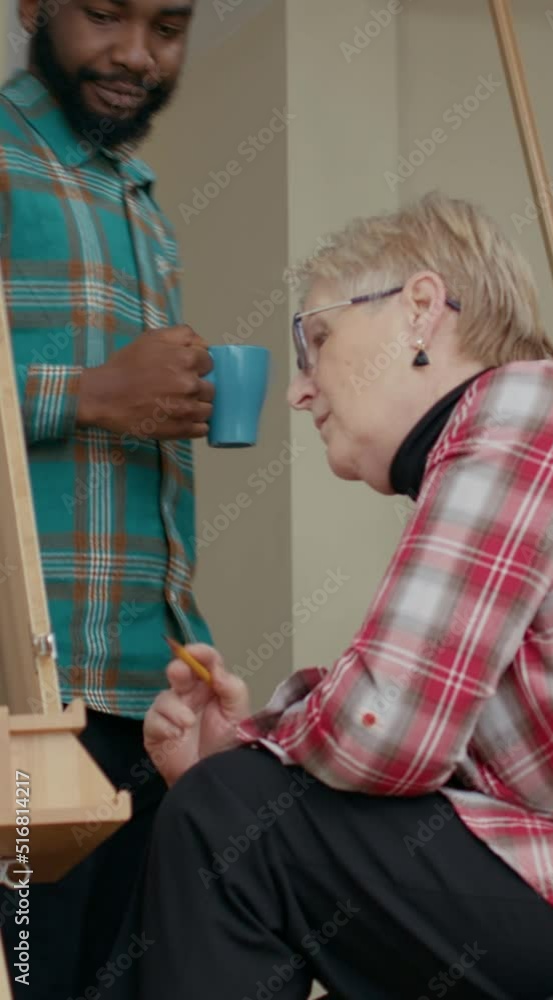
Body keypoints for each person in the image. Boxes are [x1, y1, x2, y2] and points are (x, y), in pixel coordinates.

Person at [135, 193, 553, 999]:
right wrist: (254, 750)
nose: (299, 391)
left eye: (314, 340)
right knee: (239, 808)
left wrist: (251, 757)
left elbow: (384, 731)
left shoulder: (522, 412)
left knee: (227, 819)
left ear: (420, 311)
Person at [0, 1, 214, 997]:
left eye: (167, 25)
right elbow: (98, 394)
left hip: (154, 694)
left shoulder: (142, 199)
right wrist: (92, 390)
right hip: (28, 696)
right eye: (104, 13)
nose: (135, 53)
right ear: (31, 7)